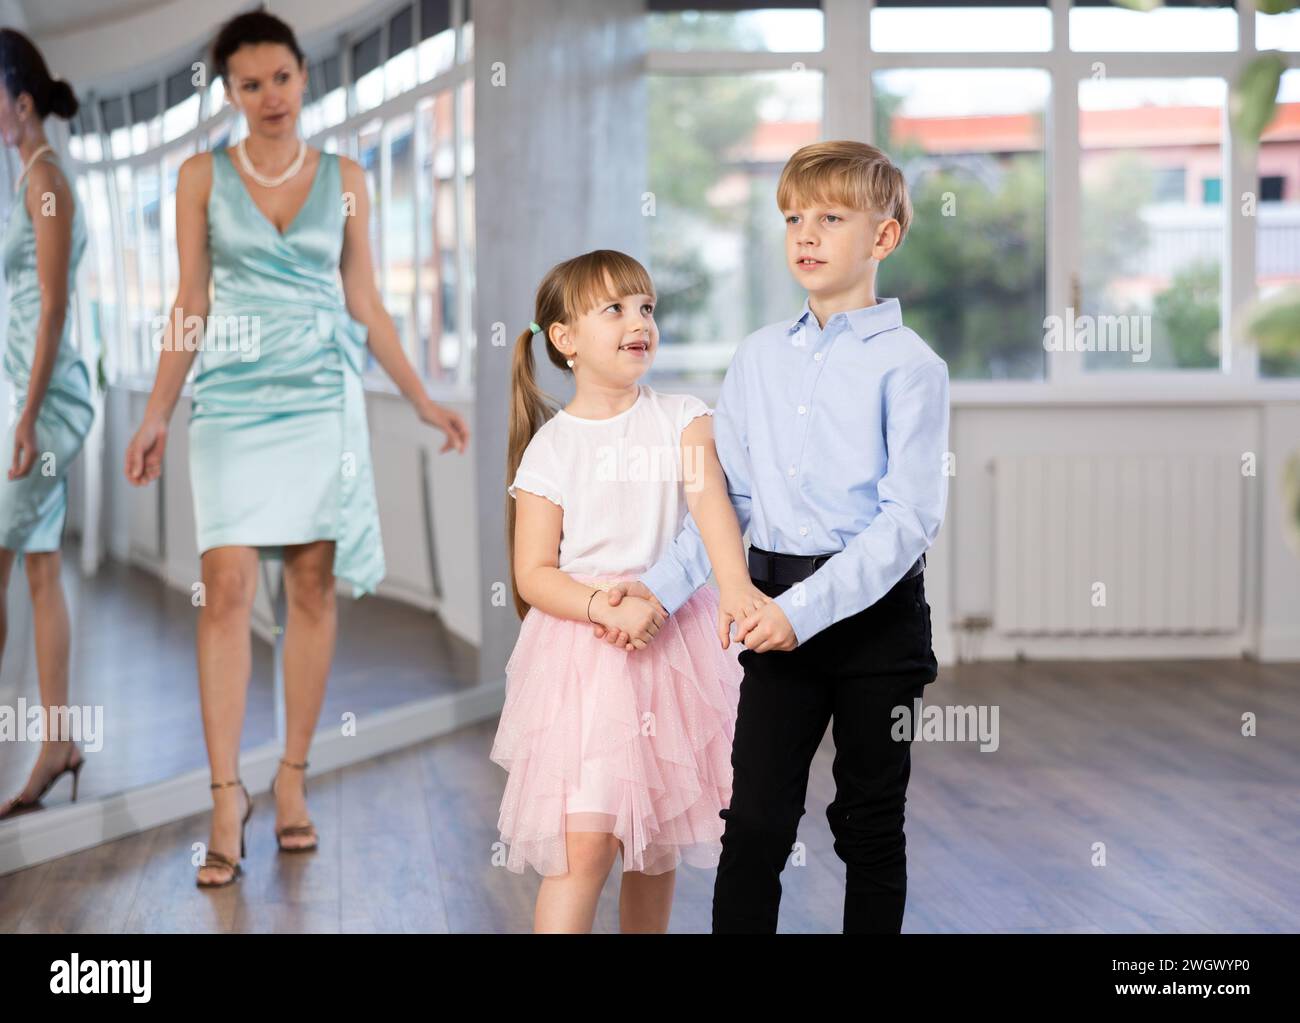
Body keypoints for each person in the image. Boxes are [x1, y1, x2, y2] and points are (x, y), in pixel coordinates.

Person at [123, 11, 469, 887]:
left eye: (281, 77)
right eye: (249, 84)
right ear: (229, 93)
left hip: (321, 400)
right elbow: (189, 302)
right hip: (233, 404)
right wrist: (158, 411)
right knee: (228, 586)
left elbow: (367, 301)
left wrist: (424, 397)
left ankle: (291, 781)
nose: (269, 96)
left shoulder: (347, 176)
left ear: (302, 77)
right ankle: (223, 796)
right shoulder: (200, 176)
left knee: (311, 585)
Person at [603, 141, 950, 933]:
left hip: (876, 627)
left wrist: (803, 610)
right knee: (755, 822)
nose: (807, 232)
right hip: (772, 617)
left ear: (884, 238)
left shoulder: (912, 366)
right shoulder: (758, 358)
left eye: (832, 217)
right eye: (795, 216)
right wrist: (657, 586)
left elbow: (907, 521)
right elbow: (732, 504)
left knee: (867, 823)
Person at [492, 248, 770, 932]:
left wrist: (735, 589)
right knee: (583, 845)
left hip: (674, 648)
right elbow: (533, 574)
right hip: (585, 655)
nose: (637, 320)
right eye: (613, 309)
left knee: (655, 846)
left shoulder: (683, 416)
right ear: (565, 340)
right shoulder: (551, 449)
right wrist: (598, 604)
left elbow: (712, 511)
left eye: (646, 307)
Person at [0, 29, 94, 820]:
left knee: (17, 567)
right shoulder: (30, 174)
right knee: (35, 569)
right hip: (24, 399)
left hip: (45, 404)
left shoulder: (46, 180)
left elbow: (55, 307)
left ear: (20, 103)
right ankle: (57, 741)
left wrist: (27, 416)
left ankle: (54, 740)